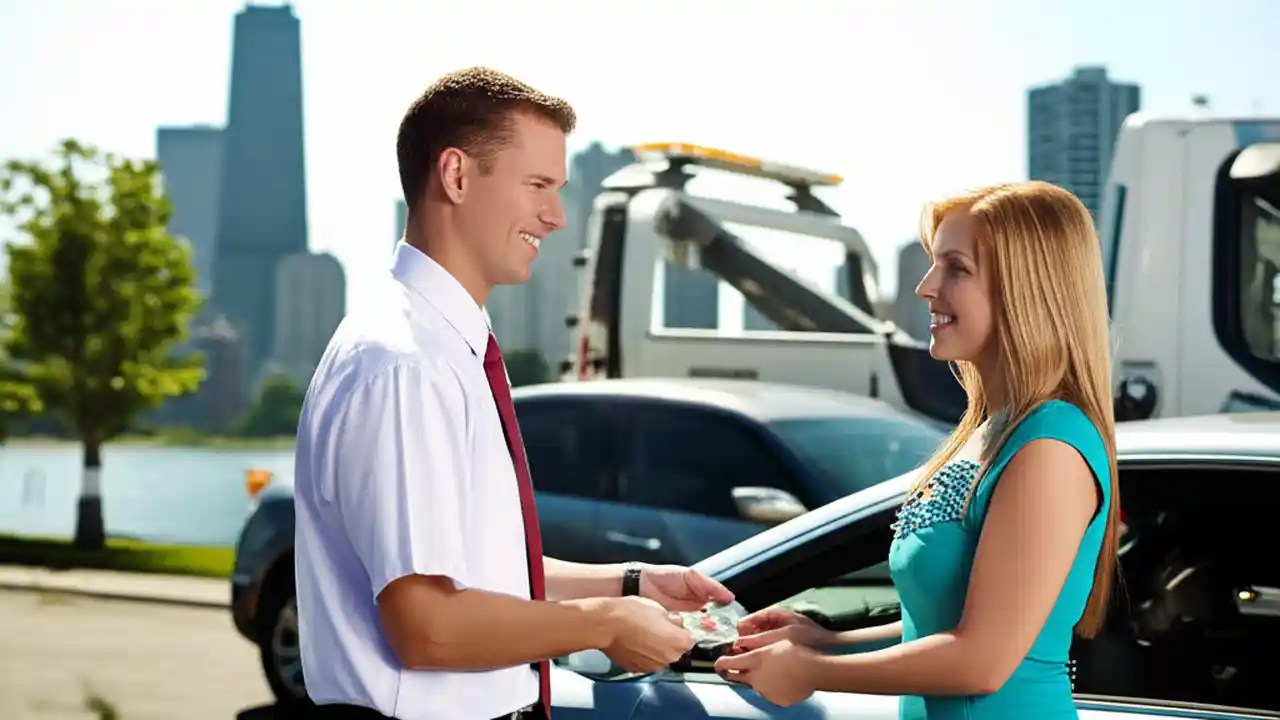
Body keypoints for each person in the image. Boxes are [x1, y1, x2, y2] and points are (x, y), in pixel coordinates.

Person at [293, 67, 733, 720]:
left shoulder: (440, 346)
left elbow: (477, 573)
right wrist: (605, 624)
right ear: (456, 175)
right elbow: (428, 627)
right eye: (537, 186)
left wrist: (632, 585)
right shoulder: (408, 363)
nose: (556, 217)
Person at [715, 181, 1120, 719]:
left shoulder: (1049, 446)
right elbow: (935, 628)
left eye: (956, 268)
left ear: (1025, 289)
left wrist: (811, 671)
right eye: (934, 264)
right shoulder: (996, 430)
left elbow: (981, 662)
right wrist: (823, 641)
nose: (927, 287)